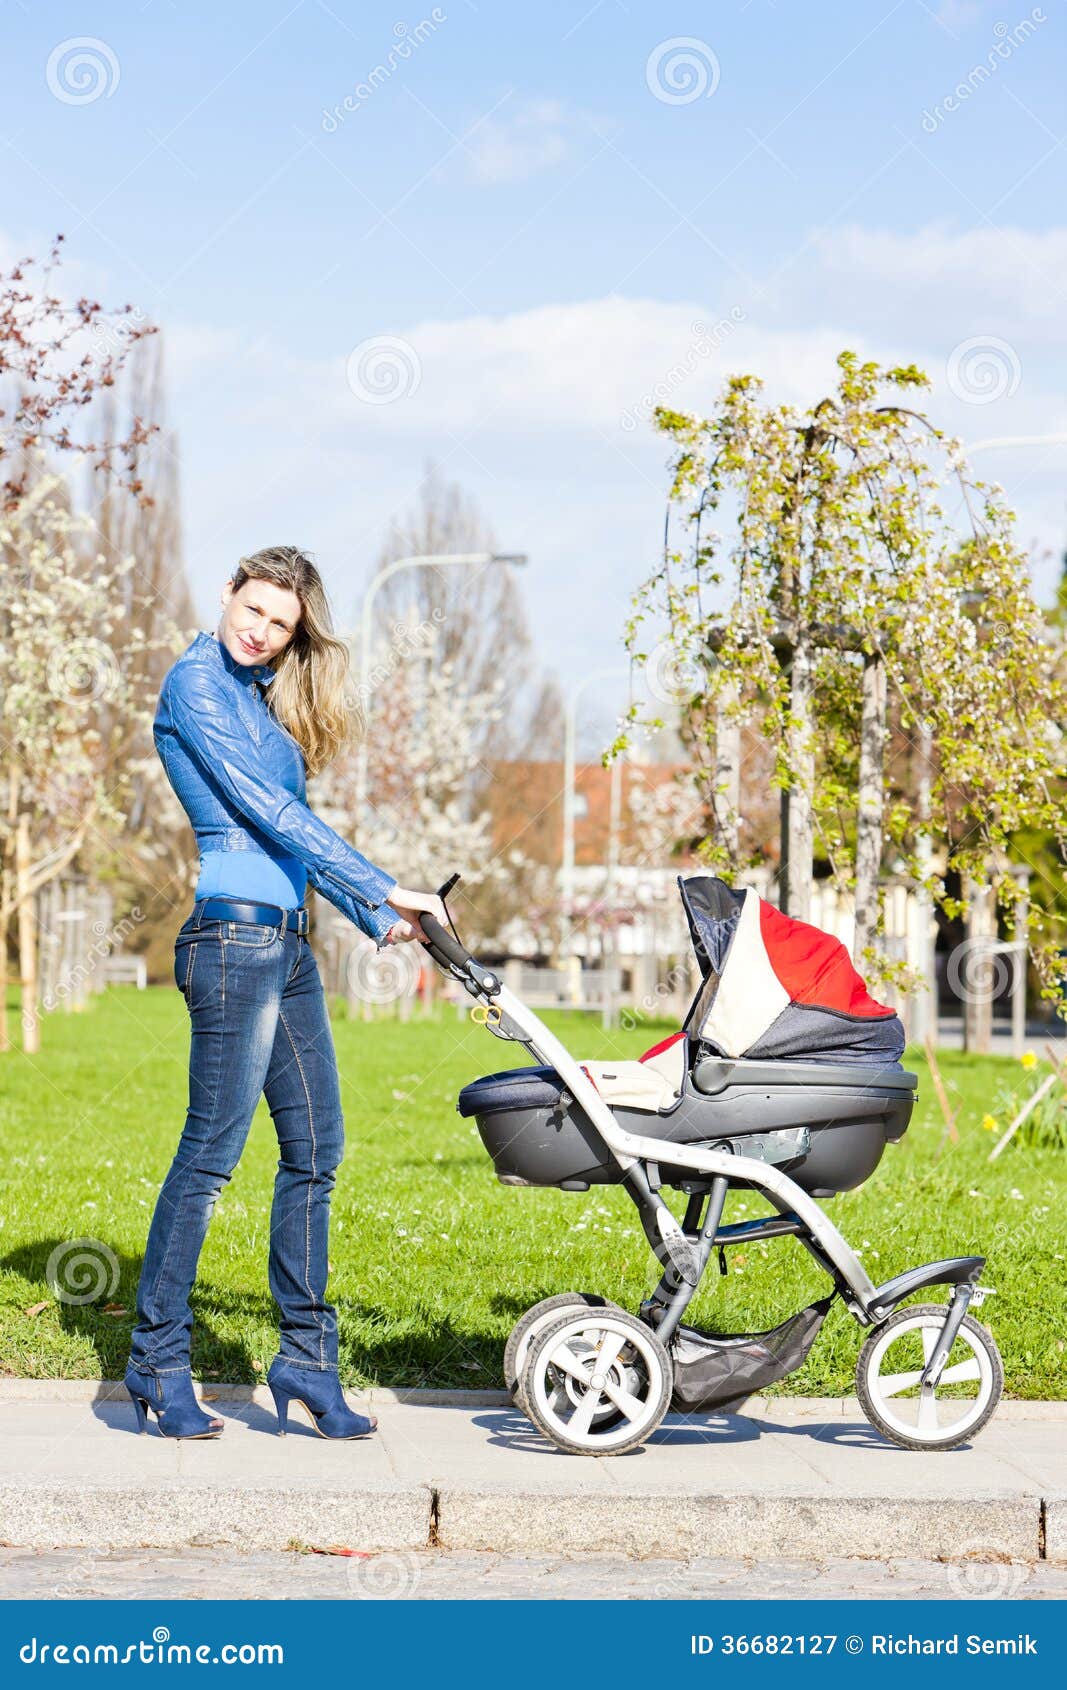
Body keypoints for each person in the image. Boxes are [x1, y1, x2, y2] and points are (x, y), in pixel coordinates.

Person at [125, 547, 445, 1441]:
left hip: (288, 944)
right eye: (254, 609)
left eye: (281, 625)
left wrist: (369, 911)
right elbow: (269, 816)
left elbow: (296, 841)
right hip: (231, 943)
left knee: (315, 1149)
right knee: (212, 1157)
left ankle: (306, 1358)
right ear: (228, 592)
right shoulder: (195, 686)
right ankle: (155, 1360)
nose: (261, 632)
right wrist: (382, 883)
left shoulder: (259, 698)